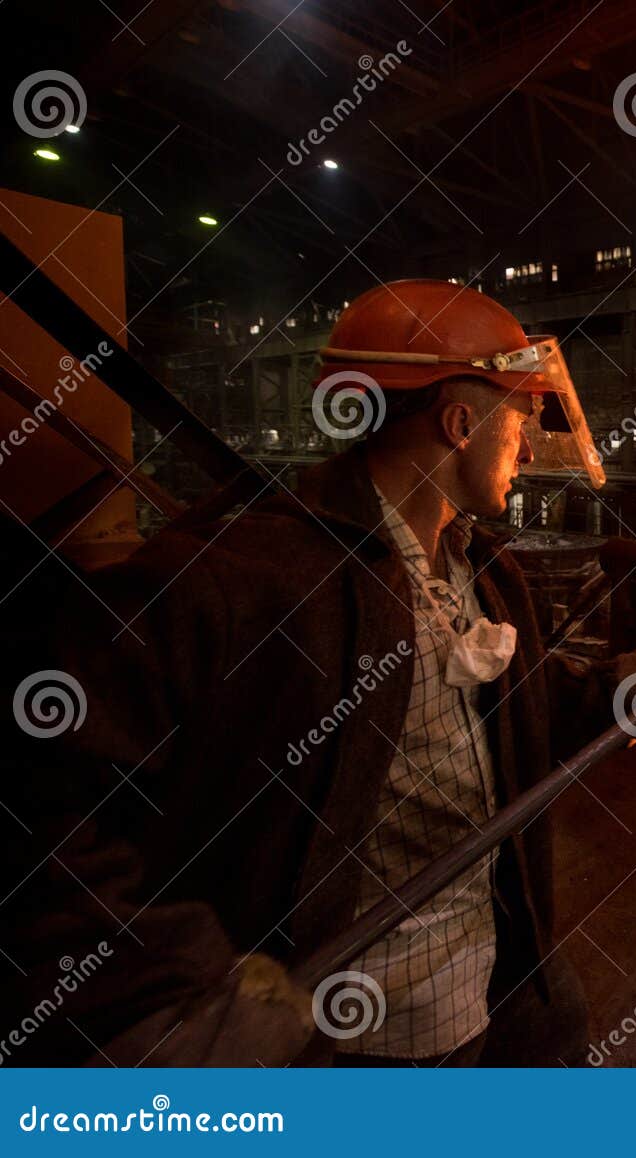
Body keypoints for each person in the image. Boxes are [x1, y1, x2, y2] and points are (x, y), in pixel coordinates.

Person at [0, 279, 604, 1065]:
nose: (527, 447)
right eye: (519, 420)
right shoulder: (241, 581)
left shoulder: (484, 571)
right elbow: (36, 803)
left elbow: (521, 703)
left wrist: (630, 688)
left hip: (483, 983)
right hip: (345, 1038)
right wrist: (169, 982)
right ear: (460, 423)